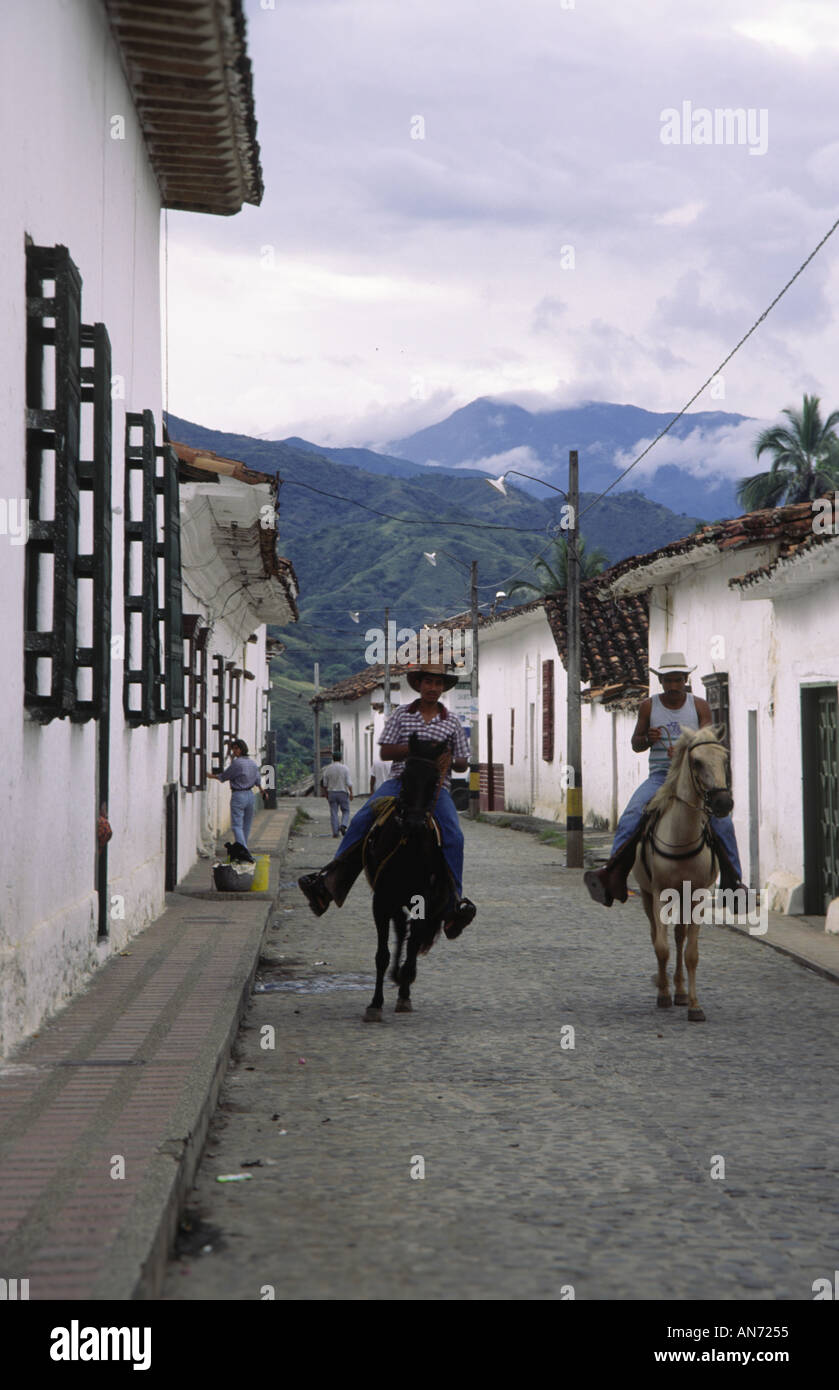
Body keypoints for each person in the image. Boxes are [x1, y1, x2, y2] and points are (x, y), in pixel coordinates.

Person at [298, 663, 476, 937]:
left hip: (436, 789)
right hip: (399, 783)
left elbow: (464, 763)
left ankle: (454, 904)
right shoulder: (401, 715)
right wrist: (419, 750)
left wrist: (450, 757)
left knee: (454, 836)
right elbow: (386, 752)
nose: (433, 688)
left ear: (443, 688)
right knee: (362, 818)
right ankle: (329, 883)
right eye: (428, 682)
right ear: (419, 685)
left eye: (438, 684)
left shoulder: (451, 721)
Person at [584, 652, 744, 907]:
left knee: (722, 822)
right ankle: (613, 874)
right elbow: (636, 744)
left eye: (677, 680)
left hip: (693, 778)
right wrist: (648, 738)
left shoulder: (699, 705)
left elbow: (706, 741)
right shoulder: (649, 705)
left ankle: (733, 884)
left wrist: (683, 752)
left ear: (685, 680)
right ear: (661, 681)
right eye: (668, 680)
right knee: (632, 814)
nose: (672, 686)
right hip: (660, 776)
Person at [209, 738, 262, 856]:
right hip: (250, 794)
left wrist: (210, 776)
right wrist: (263, 791)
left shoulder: (237, 763)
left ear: (241, 749)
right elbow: (258, 780)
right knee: (246, 825)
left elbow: (225, 776)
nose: (234, 751)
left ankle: (244, 851)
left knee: (237, 825)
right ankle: (243, 847)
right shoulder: (252, 763)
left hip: (239, 794)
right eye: (233, 749)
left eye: (235, 749)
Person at [321, 753, 353, 837]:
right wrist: (351, 793)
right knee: (346, 811)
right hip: (343, 792)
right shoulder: (345, 768)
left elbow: (324, 784)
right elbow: (349, 783)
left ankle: (335, 832)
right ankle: (343, 825)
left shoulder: (328, 769)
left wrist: (325, 793)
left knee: (334, 812)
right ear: (341, 758)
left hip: (331, 793)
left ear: (333, 758)